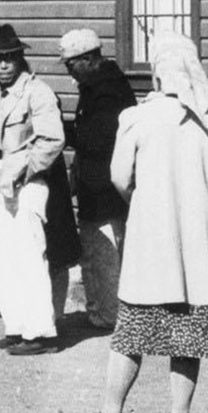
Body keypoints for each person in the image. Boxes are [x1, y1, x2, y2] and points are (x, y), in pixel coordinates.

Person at [82, 35, 208, 413]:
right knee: (187, 331)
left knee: (132, 330)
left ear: (156, 73)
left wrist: (144, 203)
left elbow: (120, 176)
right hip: (200, 245)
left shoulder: (137, 118)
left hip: (151, 243)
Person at [0, 25, 70, 354]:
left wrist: (24, 169)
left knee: (30, 254)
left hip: (28, 180)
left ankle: (40, 333)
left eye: (8, 59)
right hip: (0, 176)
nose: (2, 66)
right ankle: (16, 326)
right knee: (4, 256)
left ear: (19, 58)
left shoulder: (37, 91)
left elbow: (53, 139)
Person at [58, 28, 139, 331]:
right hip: (96, 184)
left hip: (105, 187)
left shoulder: (107, 91)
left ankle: (110, 314)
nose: (69, 71)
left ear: (89, 59)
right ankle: (102, 310)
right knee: (95, 252)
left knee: (105, 253)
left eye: (70, 64)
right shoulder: (97, 85)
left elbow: (98, 138)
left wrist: (64, 133)